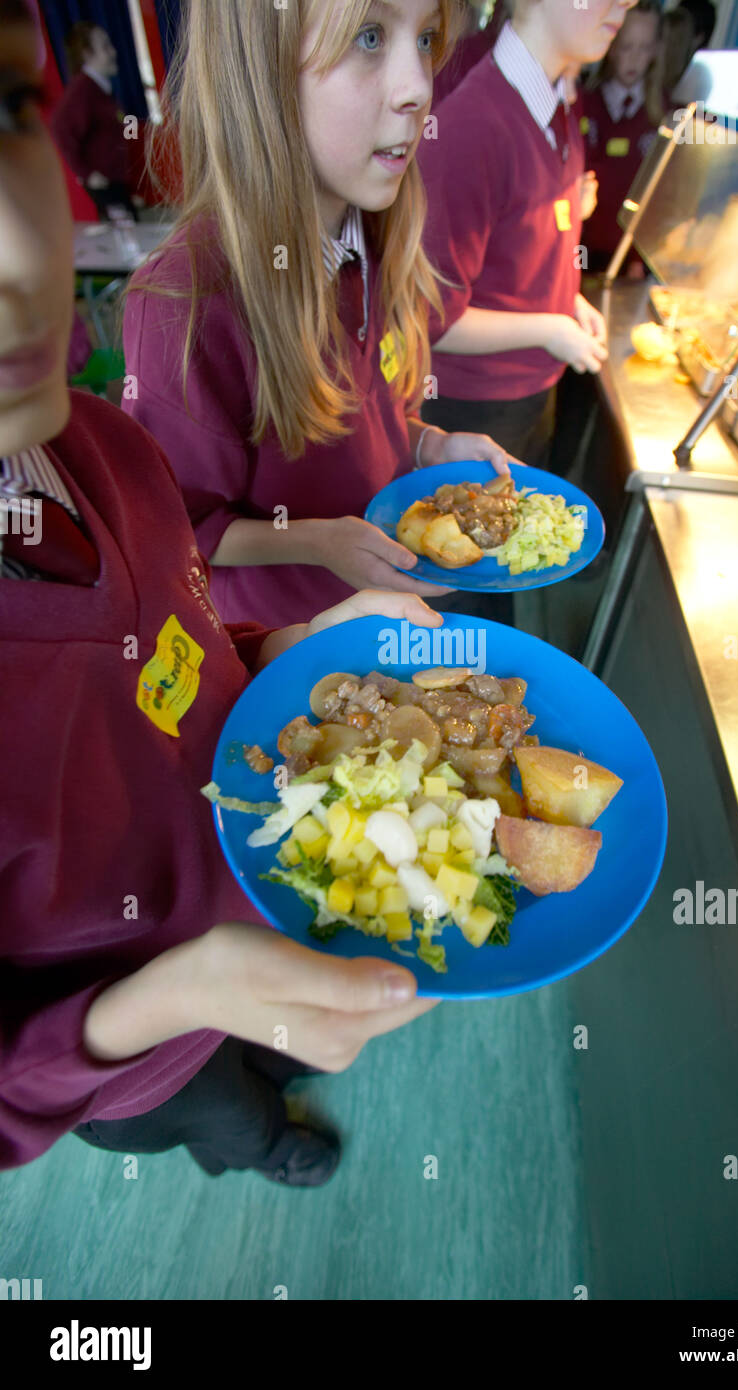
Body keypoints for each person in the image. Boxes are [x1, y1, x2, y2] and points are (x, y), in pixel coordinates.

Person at [0, 0, 442, 1188]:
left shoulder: (85, 441)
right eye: (364, 39)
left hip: (255, 846)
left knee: (285, 1029)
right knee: (227, 1112)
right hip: (141, 1049)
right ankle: (258, 1145)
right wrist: (172, 995)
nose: (22, 247)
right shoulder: (181, 306)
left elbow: (169, 633)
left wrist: (280, 637)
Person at [122, 0, 519, 634]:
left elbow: (370, 417)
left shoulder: (379, 233)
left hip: (386, 613)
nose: (419, 87)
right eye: (368, 37)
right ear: (263, 71)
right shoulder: (187, 301)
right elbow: (178, 531)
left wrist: (429, 444)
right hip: (278, 648)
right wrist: (319, 542)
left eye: (425, 40)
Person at [418, 0, 638, 471]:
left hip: (532, 388)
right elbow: (433, 316)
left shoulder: (555, 106)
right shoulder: (473, 126)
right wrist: (551, 327)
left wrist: (567, 302)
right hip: (474, 404)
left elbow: (521, 248)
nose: (628, 4)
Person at [580, 0, 665, 277]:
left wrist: (641, 258)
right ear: (611, 44)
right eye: (627, 47)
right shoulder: (583, 103)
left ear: (654, 51)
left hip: (629, 259)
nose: (634, 59)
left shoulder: (664, 115)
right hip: (581, 248)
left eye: (643, 48)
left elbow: (661, 197)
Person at [49, 20, 141, 221]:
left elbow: (121, 126)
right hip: (105, 186)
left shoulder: (102, 89)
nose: (113, 52)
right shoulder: (82, 90)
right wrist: (87, 173)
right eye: (105, 47)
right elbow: (59, 130)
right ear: (87, 54)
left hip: (117, 181)